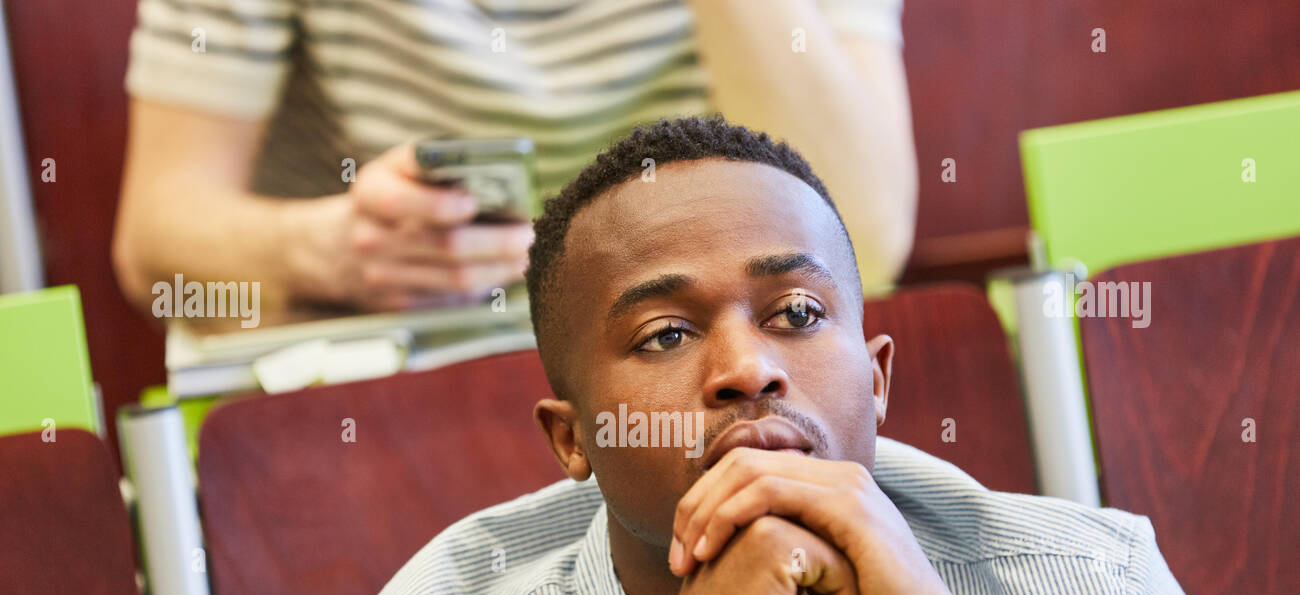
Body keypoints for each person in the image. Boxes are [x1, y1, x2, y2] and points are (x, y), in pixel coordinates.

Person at [312, 114, 1287, 595]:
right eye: (664, 334)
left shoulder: (1092, 588)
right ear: (573, 439)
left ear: (877, 381)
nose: (747, 369)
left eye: (796, 311)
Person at [112, 0, 916, 319]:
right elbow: (157, 242)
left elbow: (865, 241)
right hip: (419, 399)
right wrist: (339, 249)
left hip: (722, 373)